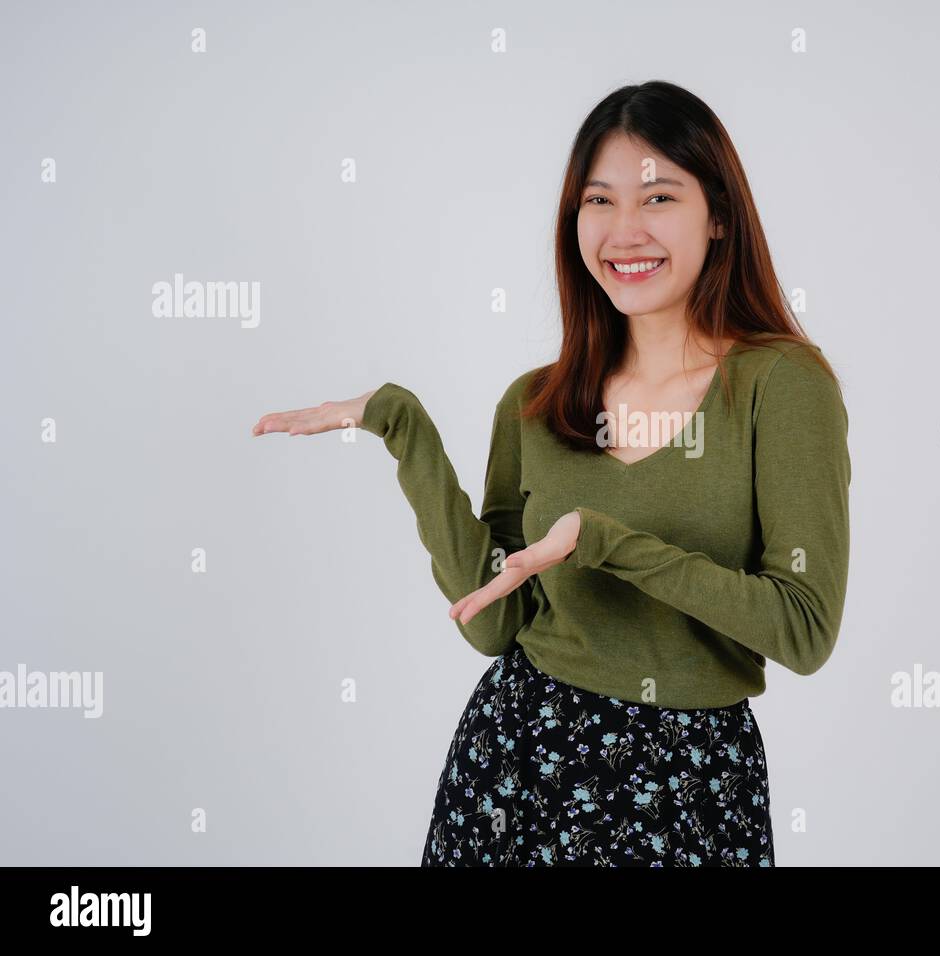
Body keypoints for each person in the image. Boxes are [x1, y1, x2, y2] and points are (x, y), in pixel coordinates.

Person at [252, 80, 851, 867]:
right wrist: (401, 425)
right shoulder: (536, 404)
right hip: (515, 767)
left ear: (721, 218)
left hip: (691, 787)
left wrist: (609, 544)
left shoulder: (782, 384)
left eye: (659, 196)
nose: (624, 230)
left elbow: (804, 630)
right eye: (598, 200)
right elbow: (494, 624)